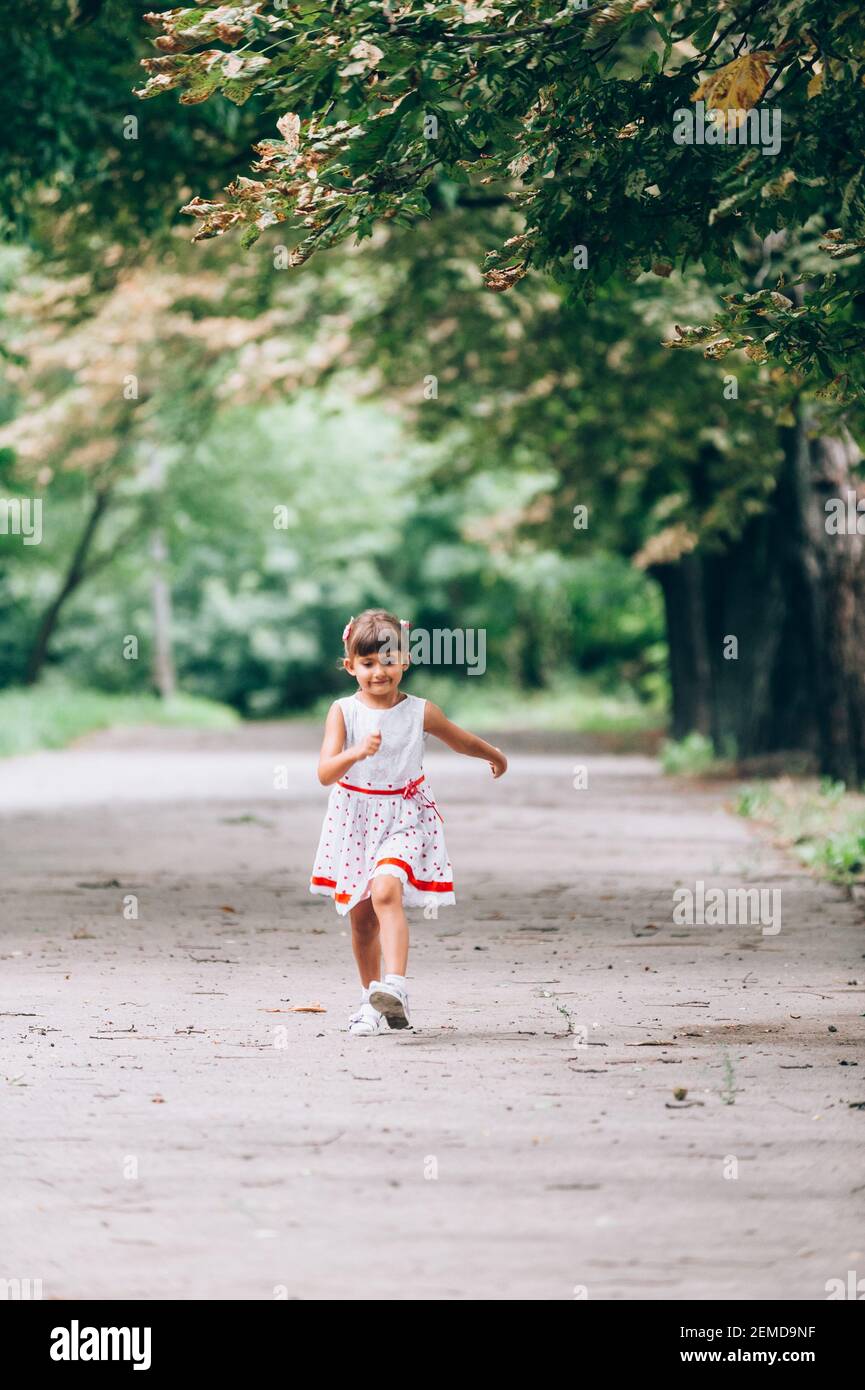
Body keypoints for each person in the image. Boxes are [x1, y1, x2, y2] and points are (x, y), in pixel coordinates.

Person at [310, 608, 507, 1035]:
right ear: (350, 666)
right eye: (367, 663)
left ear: (406, 660)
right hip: (355, 821)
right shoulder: (343, 712)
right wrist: (355, 752)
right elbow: (325, 772)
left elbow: (460, 740)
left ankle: (395, 985)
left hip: (405, 816)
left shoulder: (420, 711)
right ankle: (371, 1002)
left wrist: (494, 755)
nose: (379, 672)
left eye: (388, 660)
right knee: (362, 920)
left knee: (386, 890)